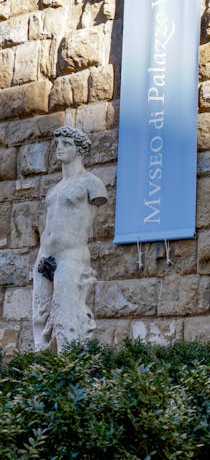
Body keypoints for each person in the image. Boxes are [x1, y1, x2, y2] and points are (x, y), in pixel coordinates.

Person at [32, 126, 108, 352]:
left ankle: (71, 371)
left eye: (67, 144)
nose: (60, 148)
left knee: (67, 315)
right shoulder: (54, 189)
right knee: (40, 316)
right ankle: (41, 370)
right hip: (45, 255)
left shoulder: (92, 184)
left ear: (79, 150)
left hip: (71, 255)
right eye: (58, 144)